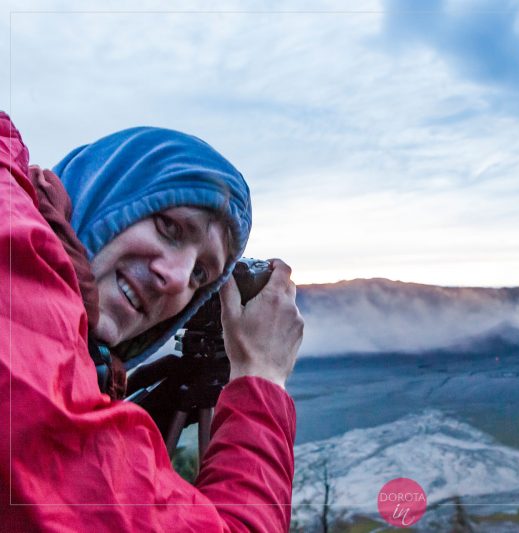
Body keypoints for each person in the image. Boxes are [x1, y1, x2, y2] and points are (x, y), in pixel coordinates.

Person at [0, 112, 304, 531]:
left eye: (202, 275)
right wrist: (262, 377)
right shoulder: (13, 276)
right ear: (106, 192)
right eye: (169, 228)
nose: (178, 280)